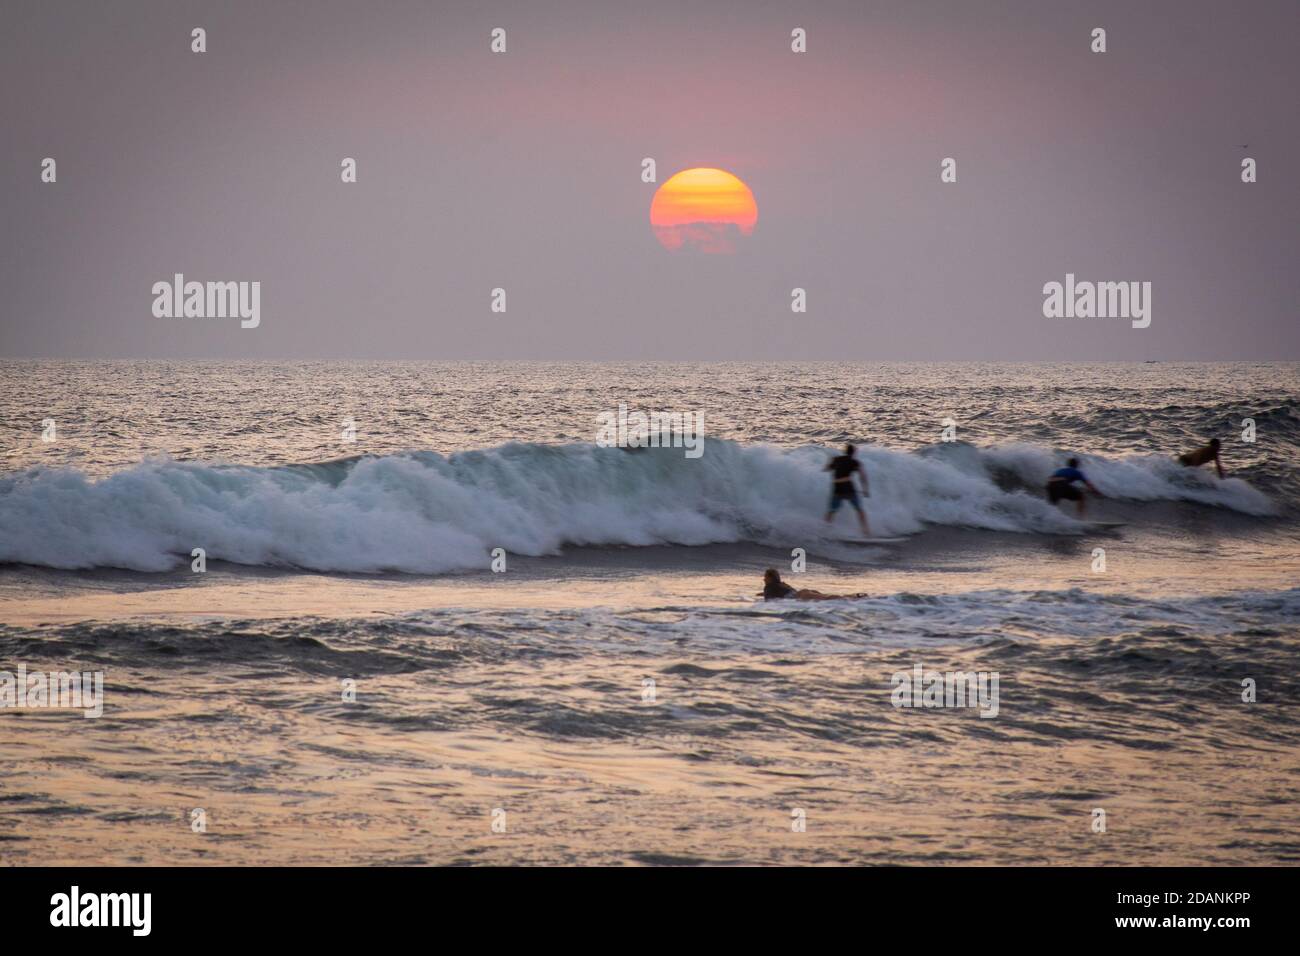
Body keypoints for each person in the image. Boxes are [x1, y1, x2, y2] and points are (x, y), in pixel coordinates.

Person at [824, 443, 870, 536]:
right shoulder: (854, 462)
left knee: (832, 511)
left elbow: (826, 469)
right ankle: (866, 532)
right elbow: (862, 476)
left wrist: (831, 460)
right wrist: (865, 489)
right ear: (853, 453)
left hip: (837, 487)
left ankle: (824, 531)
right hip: (848, 487)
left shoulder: (836, 459)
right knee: (859, 510)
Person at [760, 568, 867, 601]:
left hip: (801, 595)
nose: (763, 579)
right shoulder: (781, 585)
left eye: (765, 576)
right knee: (827, 597)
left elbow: (769, 599)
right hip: (802, 593)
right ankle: (855, 596)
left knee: (829, 599)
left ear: (770, 578)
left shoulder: (769, 587)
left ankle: (853, 598)